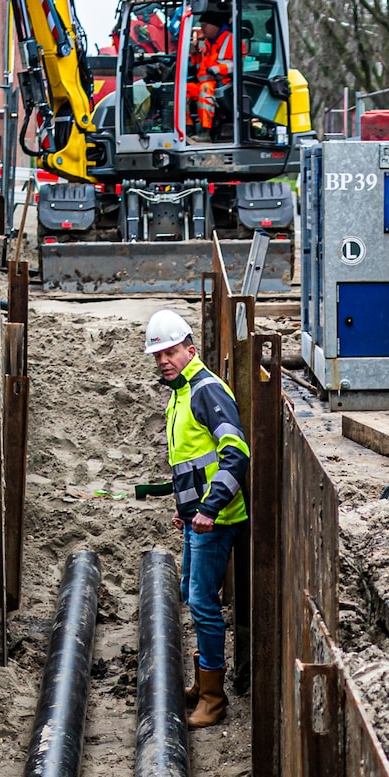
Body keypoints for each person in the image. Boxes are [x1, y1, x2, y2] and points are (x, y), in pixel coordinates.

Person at [146, 308, 249, 727]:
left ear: (191, 349)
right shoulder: (180, 393)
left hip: (216, 518)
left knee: (204, 603)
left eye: (170, 352)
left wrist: (208, 508)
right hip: (196, 517)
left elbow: (235, 453)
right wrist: (185, 508)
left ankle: (213, 698)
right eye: (157, 355)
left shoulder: (206, 390)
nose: (164, 361)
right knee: (192, 593)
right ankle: (202, 682)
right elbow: (191, 460)